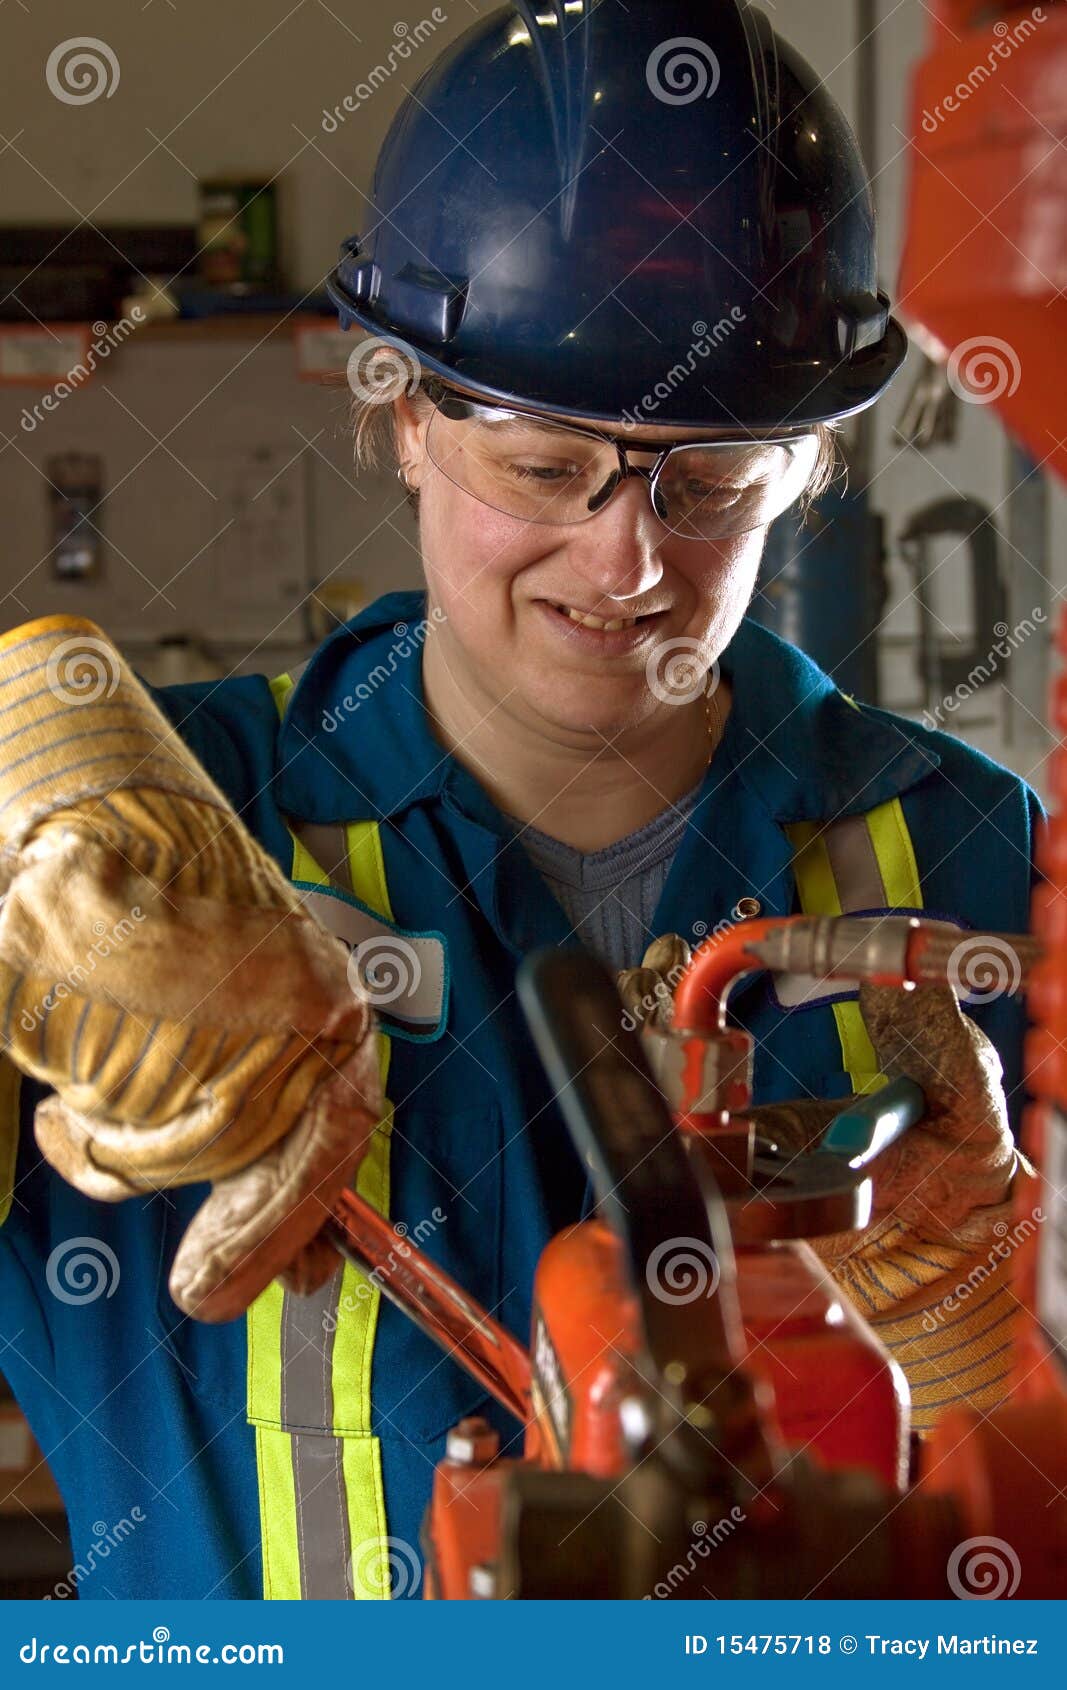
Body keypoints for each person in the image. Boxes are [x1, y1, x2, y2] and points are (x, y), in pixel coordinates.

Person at [0, 0, 1043, 1601]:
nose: (628, 561)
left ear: (811, 464)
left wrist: (988, 1353)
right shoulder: (162, 846)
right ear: (401, 415)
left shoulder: (980, 853)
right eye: (549, 468)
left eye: (706, 482)